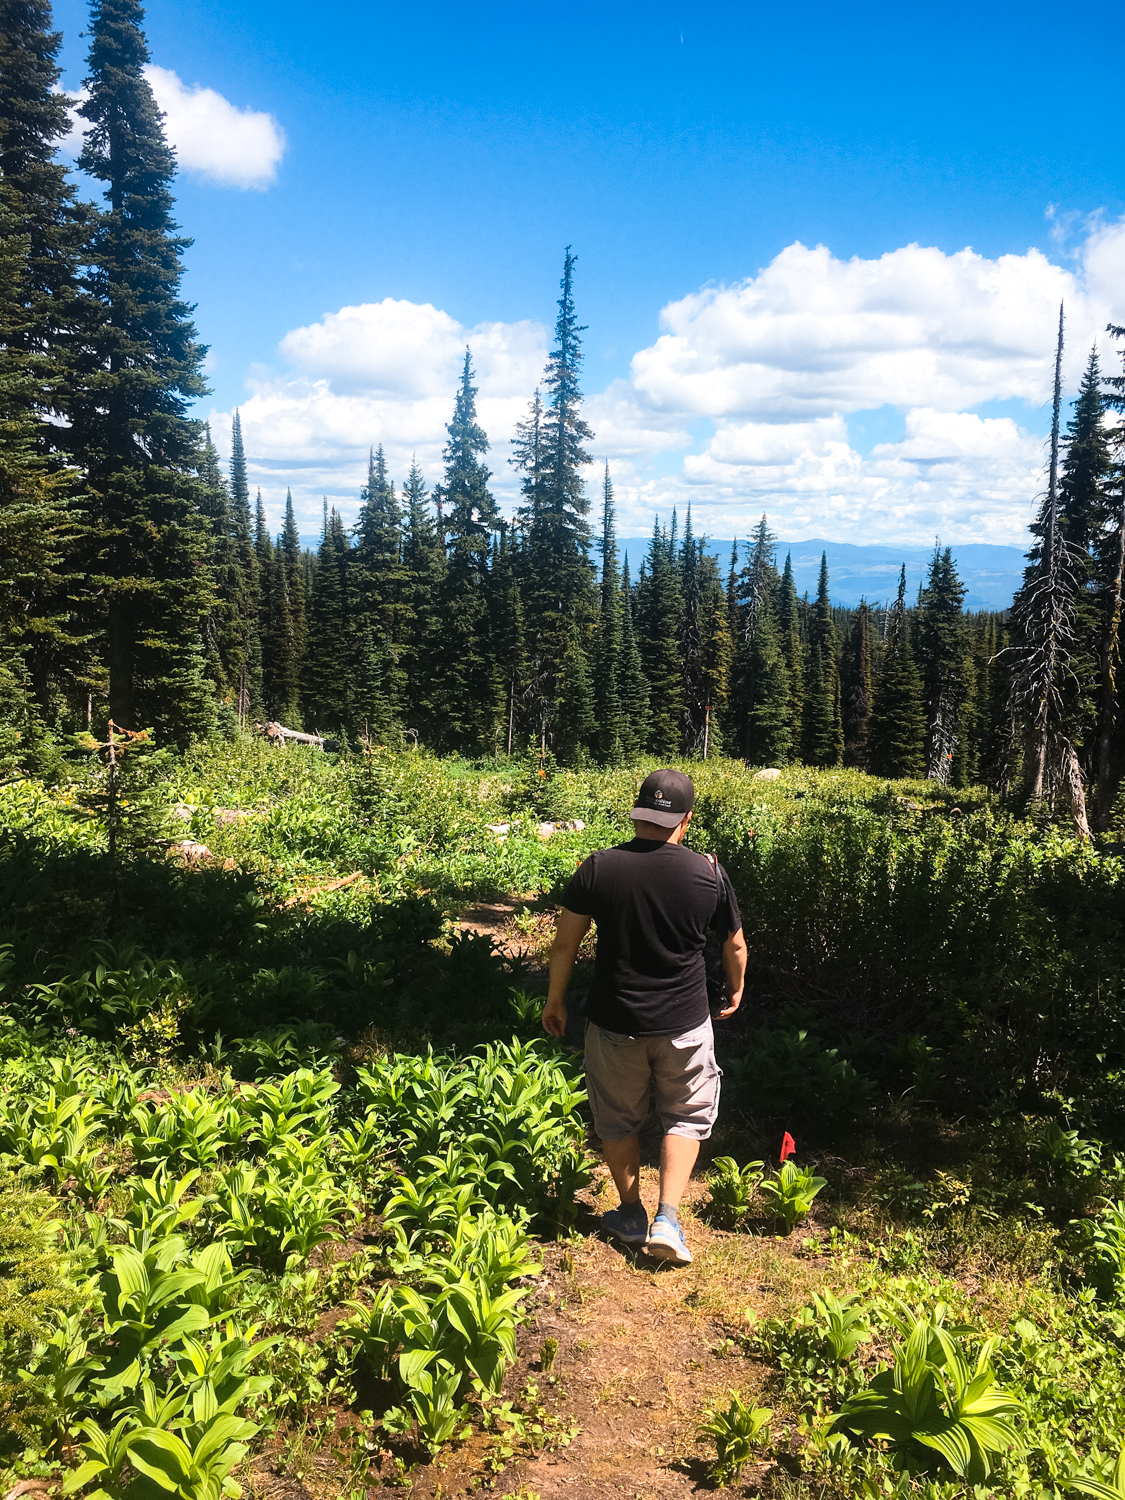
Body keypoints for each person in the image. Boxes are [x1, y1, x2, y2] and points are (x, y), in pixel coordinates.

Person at [541, 768, 747, 1265]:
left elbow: (565, 943)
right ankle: (668, 1220)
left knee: (616, 1117)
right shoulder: (709, 873)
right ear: (686, 819)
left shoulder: (597, 867)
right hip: (685, 1021)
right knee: (686, 1114)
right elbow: (734, 946)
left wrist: (555, 1000)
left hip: (615, 1021)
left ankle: (630, 1214)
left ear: (639, 812)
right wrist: (736, 989)